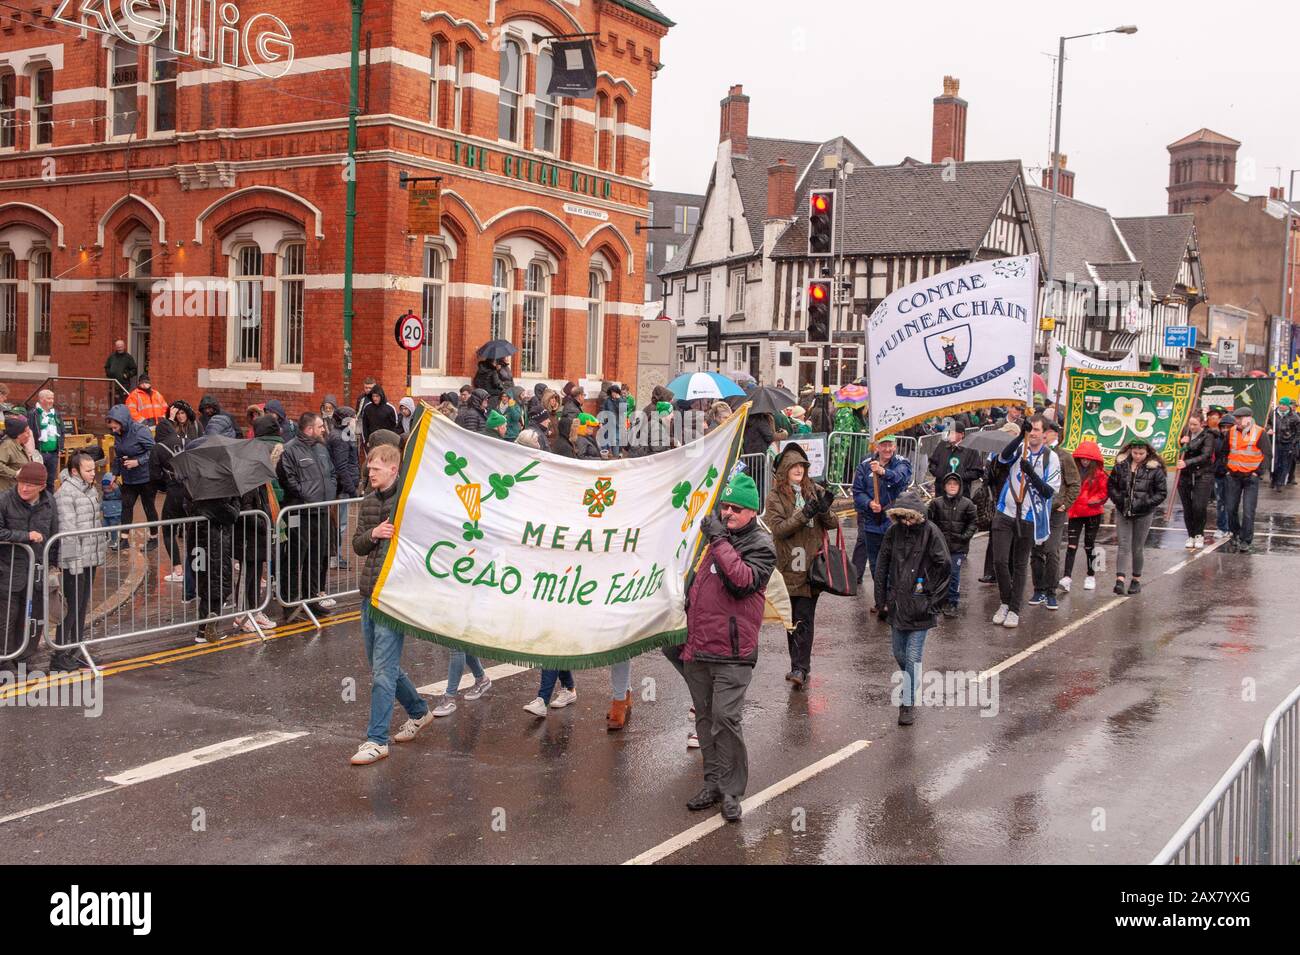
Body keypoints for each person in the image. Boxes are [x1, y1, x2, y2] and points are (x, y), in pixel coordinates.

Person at [681, 472, 775, 822]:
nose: (728, 513)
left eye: (736, 508)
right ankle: (713, 784)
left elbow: (741, 582)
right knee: (705, 719)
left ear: (751, 512)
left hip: (733, 654)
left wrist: (719, 541)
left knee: (726, 719)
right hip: (699, 648)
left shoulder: (761, 545)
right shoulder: (713, 538)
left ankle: (733, 792)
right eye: (725, 506)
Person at [349, 442, 434, 764]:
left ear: (394, 469)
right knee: (381, 667)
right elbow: (357, 545)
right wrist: (373, 533)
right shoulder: (369, 501)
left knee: (383, 672)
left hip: (394, 598)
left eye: (376, 468)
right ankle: (419, 710)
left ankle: (376, 739)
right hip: (369, 594)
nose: (369, 472)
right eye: (369, 467)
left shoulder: (410, 501)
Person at [764, 444, 838, 688]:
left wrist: (824, 508)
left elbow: (833, 523)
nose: (799, 470)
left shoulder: (814, 490)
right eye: (794, 466)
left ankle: (800, 668)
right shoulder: (775, 497)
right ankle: (796, 663)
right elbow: (779, 529)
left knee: (805, 617)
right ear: (785, 470)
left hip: (811, 567)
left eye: (802, 466)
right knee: (791, 619)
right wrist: (804, 513)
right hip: (787, 565)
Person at [876, 488, 950, 726]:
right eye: (902, 517)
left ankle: (907, 703)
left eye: (910, 517)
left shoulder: (931, 532)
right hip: (897, 604)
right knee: (899, 654)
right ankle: (912, 676)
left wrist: (933, 600)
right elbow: (882, 565)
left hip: (921, 606)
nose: (906, 522)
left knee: (912, 655)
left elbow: (945, 565)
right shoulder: (893, 532)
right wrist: (881, 601)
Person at [989, 416, 1060, 629]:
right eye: (1032, 430)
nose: (1035, 433)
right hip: (1005, 512)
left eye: (1038, 430)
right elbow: (1002, 458)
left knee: (1020, 565)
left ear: (1045, 434)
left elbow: (1048, 492)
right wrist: (1021, 434)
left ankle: (1014, 609)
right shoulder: (1021, 448)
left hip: (1029, 517)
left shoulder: (1051, 457)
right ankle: (1005, 601)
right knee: (1000, 561)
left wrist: (1031, 473)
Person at [277, 412, 337, 620]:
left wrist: (329, 494)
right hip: (300, 512)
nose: (323, 430)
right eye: (320, 426)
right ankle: (291, 602)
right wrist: (307, 495)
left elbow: (331, 474)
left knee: (316, 558)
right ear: (309, 429)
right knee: (295, 559)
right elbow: (288, 479)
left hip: (321, 511)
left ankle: (311, 599)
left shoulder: (321, 448)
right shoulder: (290, 450)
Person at [50, 452, 106, 671]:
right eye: (89, 470)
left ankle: (75, 650)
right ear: (75, 471)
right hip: (75, 561)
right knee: (70, 609)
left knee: (81, 607)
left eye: (94, 469)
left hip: (90, 558)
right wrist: (73, 563)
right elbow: (68, 532)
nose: (94, 474)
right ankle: (60, 655)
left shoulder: (89, 489)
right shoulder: (66, 493)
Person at [0, 461, 58, 669]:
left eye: (30, 485)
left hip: (37, 571)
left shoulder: (49, 502)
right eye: (21, 483)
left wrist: (53, 564)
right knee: (7, 618)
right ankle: (4, 661)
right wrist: (25, 537)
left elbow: (54, 535)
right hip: (8, 570)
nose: (24, 488)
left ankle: (24, 657)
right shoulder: (4, 500)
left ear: (41, 487)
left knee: (32, 616)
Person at [850, 435, 912, 594]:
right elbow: (857, 491)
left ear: (895, 446)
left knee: (893, 560)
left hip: (893, 520)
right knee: (875, 562)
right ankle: (880, 599)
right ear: (876, 447)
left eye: (890, 445)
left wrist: (882, 471)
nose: (887, 449)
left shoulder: (901, 462)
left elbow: (900, 478)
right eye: (883, 445)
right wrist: (869, 504)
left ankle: (892, 597)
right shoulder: (865, 465)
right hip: (872, 521)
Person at [1029, 420, 1079, 611]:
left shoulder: (1063, 456)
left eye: (1043, 431)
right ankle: (1038, 588)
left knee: (1051, 550)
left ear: (1052, 434)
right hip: (1036, 510)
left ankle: (1051, 591)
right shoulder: (1034, 454)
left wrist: (1065, 504)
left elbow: (1074, 483)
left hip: (1055, 511)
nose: (1038, 435)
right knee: (1036, 550)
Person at [1108, 437, 1168, 594]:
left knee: (1137, 548)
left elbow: (1161, 493)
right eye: (1135, 453)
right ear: (1130, 450)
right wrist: (1119, 500)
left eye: (1141, 453)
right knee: (1123, 545)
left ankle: (1136, 580)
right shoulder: (1121, 465)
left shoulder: (1155, 469)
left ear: (1147, 452)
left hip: (1144, 513)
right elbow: (1111, 485)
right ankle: (1119, 580)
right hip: (1123, 511)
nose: (1138, 456)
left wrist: (1145, 503)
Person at [106, 404, 158, 543]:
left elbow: (154, 451)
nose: (113, 429)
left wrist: (138, 461)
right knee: (126, 506)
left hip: (146, 477)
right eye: (111, 425)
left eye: (115, 425)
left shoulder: (140, 431)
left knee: (149, 507)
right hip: (129, 478)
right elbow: (118, 456)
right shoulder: (118, 434)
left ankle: (154, 537)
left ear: (122, 421)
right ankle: (124, 540)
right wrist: (114, 474)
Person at [1061, 440, 1108, 592]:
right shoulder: (1073, 472)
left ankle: (1091, 575)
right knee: (1071, 545)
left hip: (1092, 513)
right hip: (1075, 512)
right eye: (1082, 458)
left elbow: (1104, 492)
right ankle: (1067, 577)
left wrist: (1092, 501)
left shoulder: (1100, 474)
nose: (1085, 461)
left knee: (1089, 545)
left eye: (1088, 459)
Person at [927, 472, 976, 616]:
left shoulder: (967, 504)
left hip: (957, 548)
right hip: (940, 547)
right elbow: (930, 522)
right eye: (949, 484)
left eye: (955, 484)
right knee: (938, 574)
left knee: (954, 574)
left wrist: (964, 537)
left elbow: (972, 523)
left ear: (960, 486)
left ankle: (952, 602)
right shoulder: (936, 503)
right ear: (944, 486)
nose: (952, 487)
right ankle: (938, 601)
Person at [1223, 406, 1268, 554]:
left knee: (1248, 511)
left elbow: (1268, 455)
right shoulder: (1231, 432)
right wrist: (1227, 469)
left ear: (1248, 419)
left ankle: (1245, 540)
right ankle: (1235, 534)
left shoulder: (1260, 432)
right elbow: (1224, 452)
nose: (1236, 421)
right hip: (1233, 476)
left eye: (1238, 418)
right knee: (1230, 508)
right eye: (1236, 418)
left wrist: (1258, 473)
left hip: (1250, 477)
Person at [1176, 412, 1216, 550]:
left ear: (1202, 423)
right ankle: (1190, 535)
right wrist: (1180, 444)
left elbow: (1206, 455)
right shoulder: (1184, 433)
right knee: (1187, 507)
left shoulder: (1208, 436)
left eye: (1195, 424)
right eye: (1190, 424)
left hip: (1203, 474)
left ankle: (1199, 534)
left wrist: (1187, 460)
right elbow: (1175, 450)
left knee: (1198, 507)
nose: (1192, 427)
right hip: (1185, 475)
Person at [926, 421, 984, 497]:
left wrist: (960, 477)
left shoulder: (971, 450)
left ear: (962, 434)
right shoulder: (942, 445)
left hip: (961, 492)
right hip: (941, 491)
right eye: (949, 432)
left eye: (953, 433)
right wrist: (938, 473)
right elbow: (933, 462)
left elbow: (977, 471)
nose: (950, 435)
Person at [27, 390, 65, 491]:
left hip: (53, 453)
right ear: (41, 399)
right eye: (49, 398)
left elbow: (61, 430)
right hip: (39, 453)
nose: (52, 401)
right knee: (38, 480)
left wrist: (61, 447)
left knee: (50, 481)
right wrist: (31, 452)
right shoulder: (33, 414)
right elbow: (29, 433)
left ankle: (49, 503)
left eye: (52, 398)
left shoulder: (55, 413)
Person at [1267, 397, 1300, 492]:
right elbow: (1268, 423)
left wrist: (1293, 443)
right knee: (1274, 463)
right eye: (1280, 403)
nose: (1281, 406)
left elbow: (1298, 432)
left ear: (1288, 405)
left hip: (1288, 444)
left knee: (1285, 464)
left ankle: (1280, 483)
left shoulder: (1294, 417)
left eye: (1284, 404)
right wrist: (1268, 429)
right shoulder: (1273, 414)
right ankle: (1273, 479)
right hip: (1274, 442)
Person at [1212, 411, 1234, 539]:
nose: (1225, 429)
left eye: (1228, 427)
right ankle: (1221, 527)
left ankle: (1232, 527)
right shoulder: (1216, 438)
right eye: (1223, 427)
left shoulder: (1238, 439)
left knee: (1232, 503)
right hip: (1219, 473)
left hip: (1233, 474)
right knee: (1221, 501)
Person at [0, 417, 33, 493]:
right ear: (19, 434)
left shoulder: (20, 445)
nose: (29, 435)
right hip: (6, 492)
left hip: (15, 490)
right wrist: (15, 474)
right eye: (27, 432)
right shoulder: (7, 446)